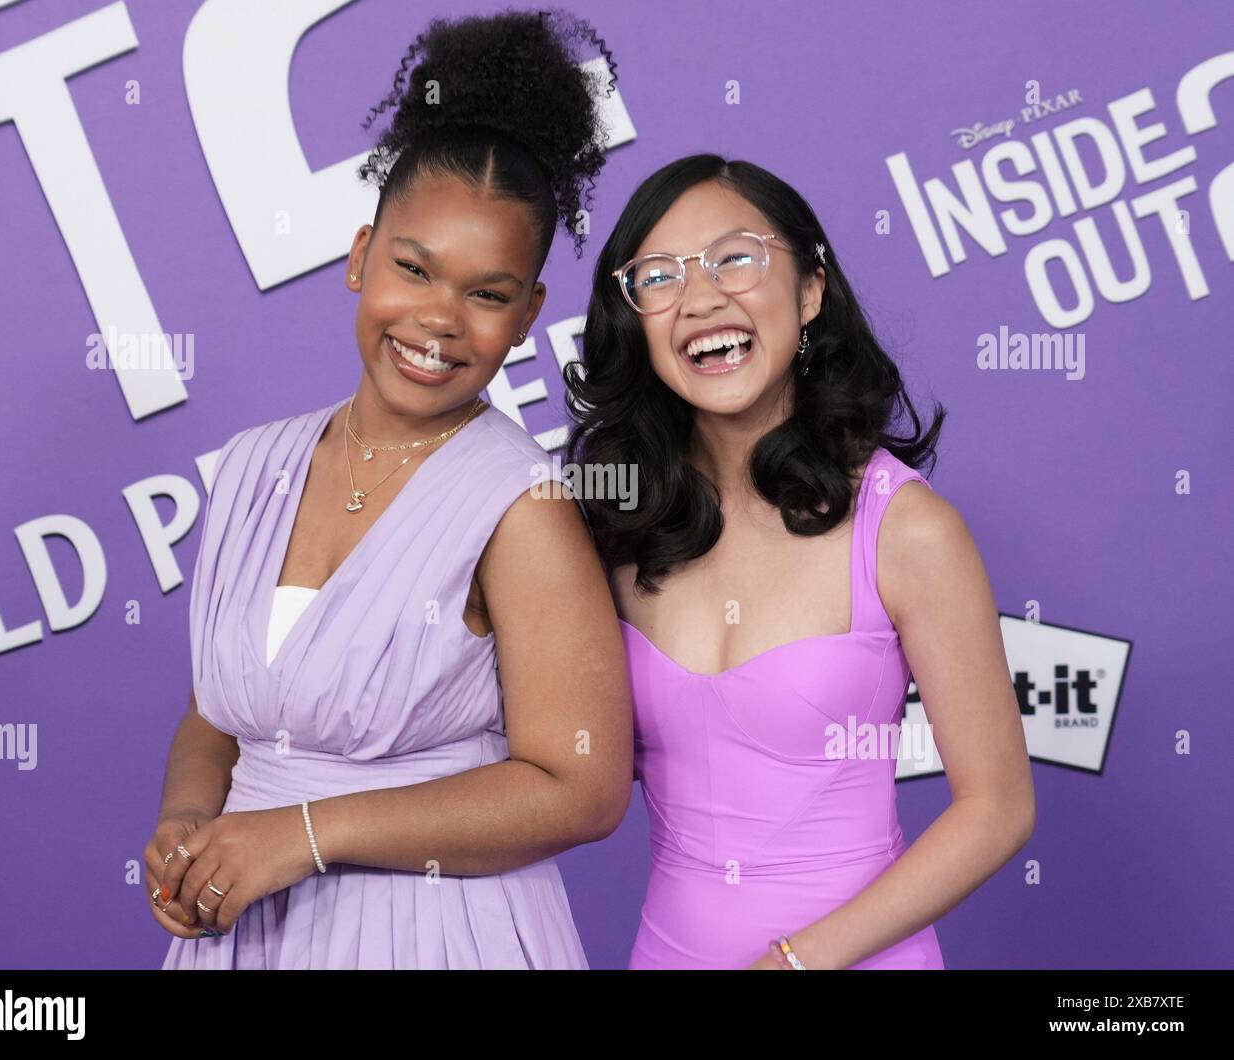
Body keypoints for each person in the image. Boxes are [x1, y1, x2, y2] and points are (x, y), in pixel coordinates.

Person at [147, 9, 632, 970]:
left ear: (528, 313)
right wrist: (188, 823)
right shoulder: (252, 466)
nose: (439, 320)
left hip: (439, 937)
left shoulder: (521, 509)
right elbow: (220, 711)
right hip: (244, 932)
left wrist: (305, 834)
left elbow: (583, 787)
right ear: (362, 256)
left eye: (488, 294)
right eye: (414, 269)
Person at [565, 155, 1036, 969]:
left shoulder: (905, 528)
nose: (702, 297)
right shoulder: (616, 526)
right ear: (634, 317)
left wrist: (792, 964)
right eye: (660, 276)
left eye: (735, 258)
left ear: (811, 290)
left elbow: (996, 808)